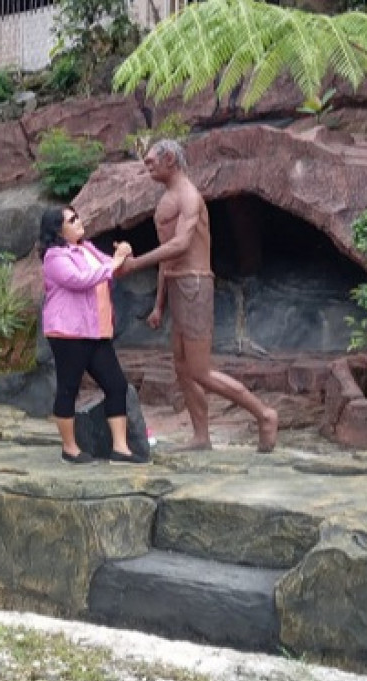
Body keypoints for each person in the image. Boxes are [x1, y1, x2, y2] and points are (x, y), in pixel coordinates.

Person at [118, 139, 279, 452]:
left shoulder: (190, 197)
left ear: (169, 159)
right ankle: (201, 435)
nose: (147, 167)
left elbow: (180, 246)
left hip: (194, 286)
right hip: (178, 285)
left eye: (151, 161)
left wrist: (135, 263)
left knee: (200, 370)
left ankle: (264, 414)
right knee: (181, 366)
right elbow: (169, 255)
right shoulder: (168, 198)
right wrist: (158, 303)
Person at [40, 206, 147, 465]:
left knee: (117, 385)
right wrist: (116, 260)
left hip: (96, 331)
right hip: (68, 332)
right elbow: (82, 279)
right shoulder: (54, 256)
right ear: (58, 230)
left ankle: (120, 449)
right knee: (68, 388)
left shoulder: (87, 248)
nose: (79, 221)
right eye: (71, 219)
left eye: (77, 216)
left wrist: (124, 255)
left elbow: (110, 270)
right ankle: (70, 448)